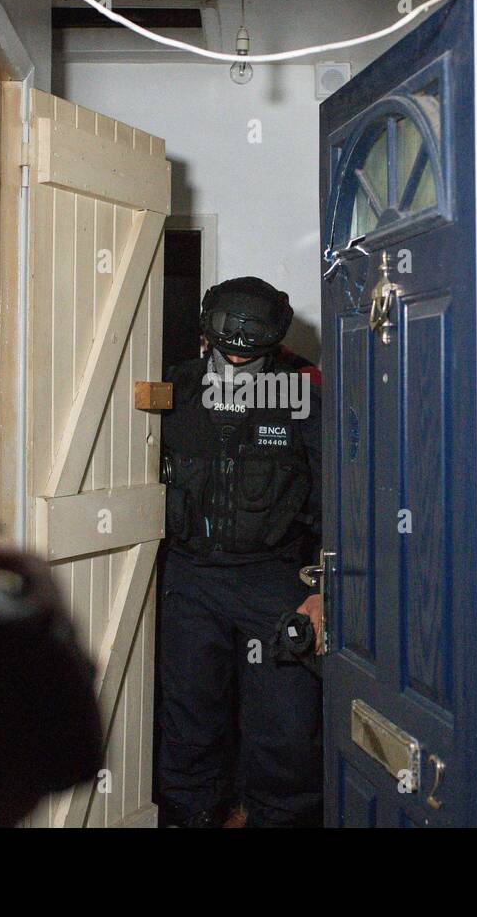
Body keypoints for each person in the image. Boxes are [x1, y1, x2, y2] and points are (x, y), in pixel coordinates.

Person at [156, 276, 323, 828]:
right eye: (226, 351)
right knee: (189, 718)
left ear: (272, 348)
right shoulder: (170, 393)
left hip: (274, 580)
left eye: (249, 356)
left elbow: (340, 502)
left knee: (285, 726)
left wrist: (324, 589)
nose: (235, 363)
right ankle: (192, 815)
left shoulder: (305, 399)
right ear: (205, 337)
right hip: (190, 577)